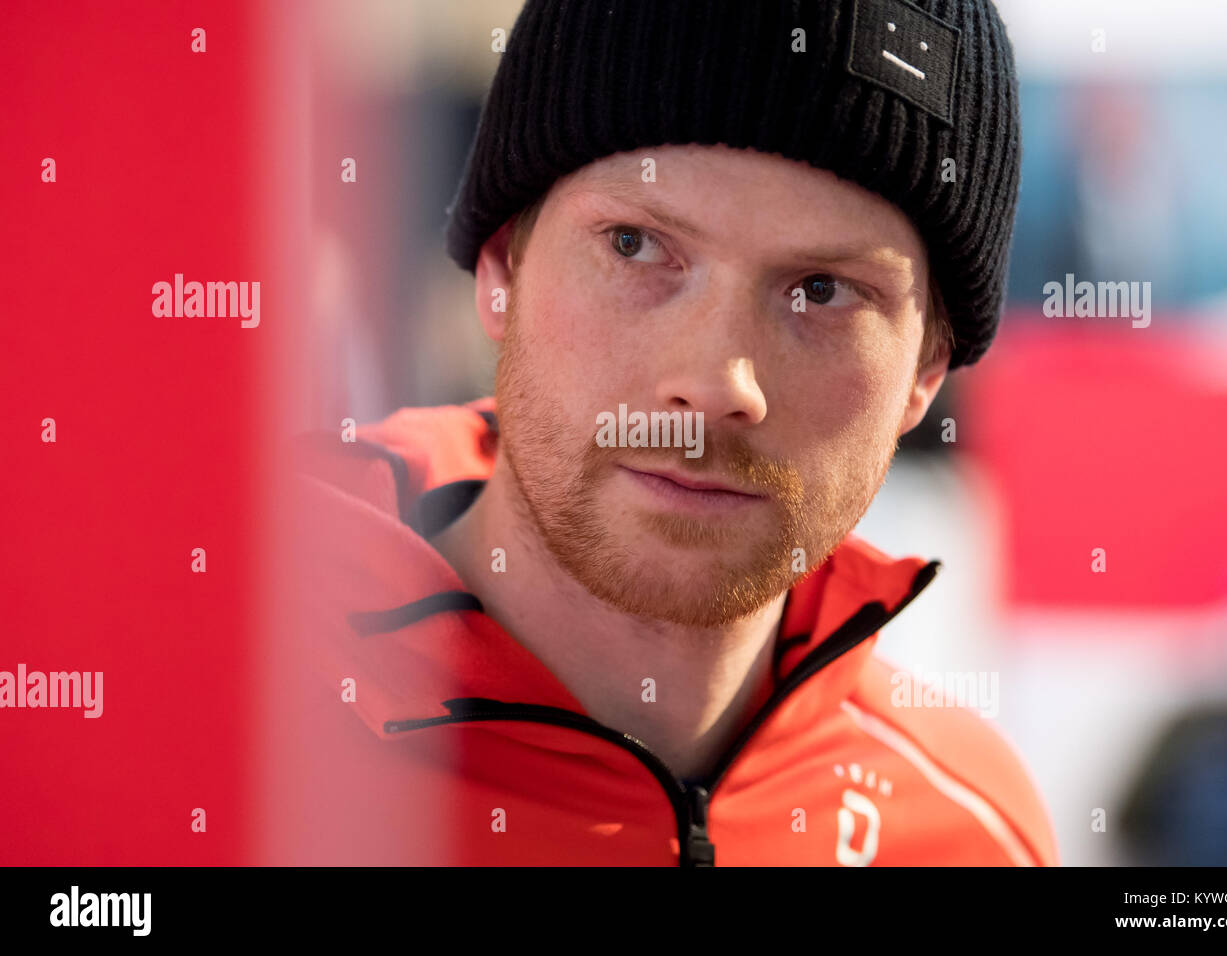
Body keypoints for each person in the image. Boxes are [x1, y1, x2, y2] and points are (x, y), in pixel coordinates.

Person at [283, 0, 1059, 866]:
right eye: (635, 245)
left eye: (824, 290)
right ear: (503, 265)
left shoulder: (970, 833)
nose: (719, 384)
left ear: (926, 371)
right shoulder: (203, 731)